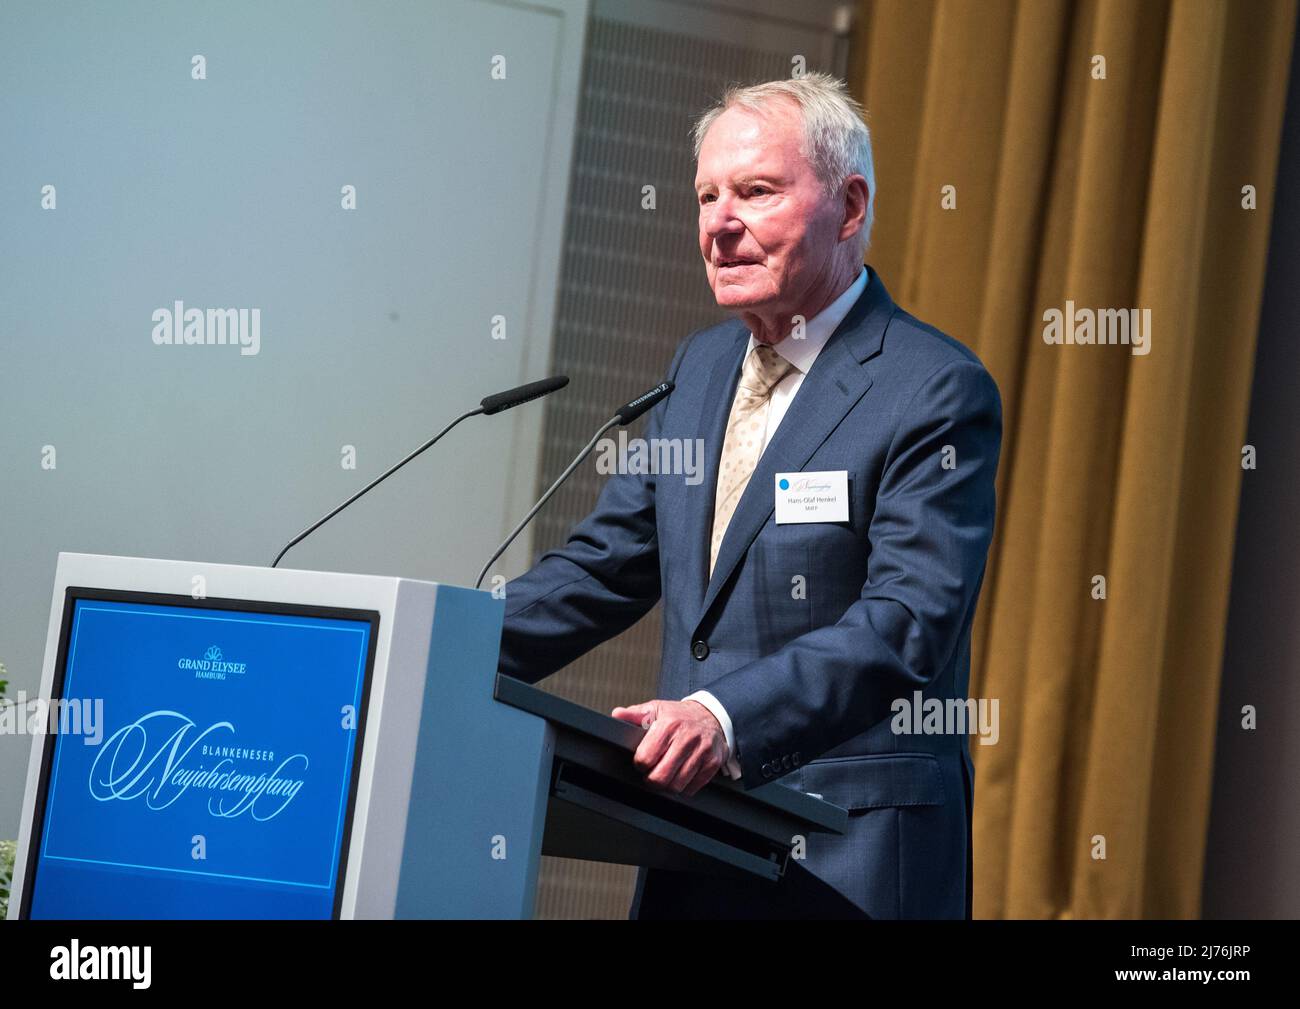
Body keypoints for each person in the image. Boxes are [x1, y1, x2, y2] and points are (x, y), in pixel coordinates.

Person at [497, 73, 1002, 919]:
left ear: (849, 207)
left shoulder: (933, 388)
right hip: (693, 840)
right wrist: (439, 643)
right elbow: (605, 566)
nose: (719, 224)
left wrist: (724, 716)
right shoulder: (699, 369)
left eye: (756, 192)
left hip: (852, 856)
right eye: (707, 196)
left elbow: (908, 620)